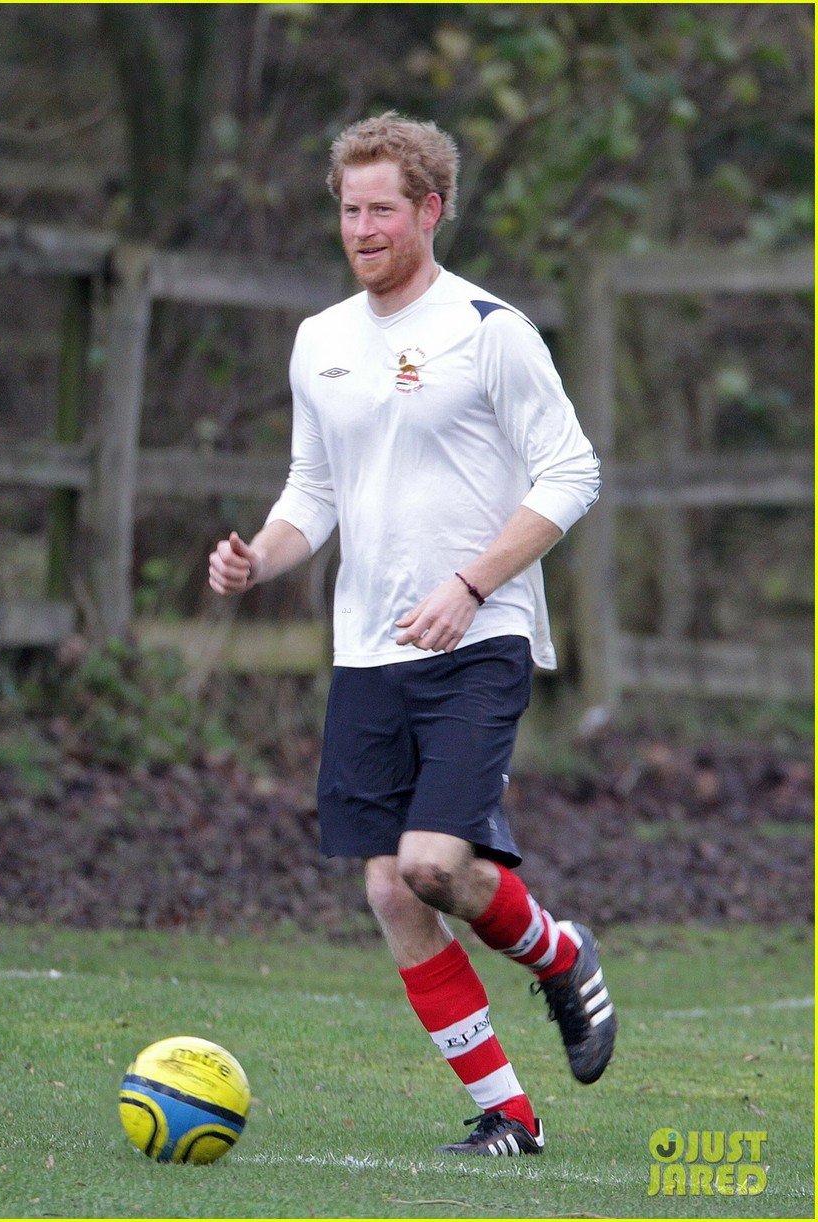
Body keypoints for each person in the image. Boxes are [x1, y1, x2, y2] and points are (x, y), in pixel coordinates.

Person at [209, 112, 616, 1158]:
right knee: (388, 884)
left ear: (429, 210)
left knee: (432, 863)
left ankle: (557, 950)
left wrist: (473, 583)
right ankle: (507, 1114)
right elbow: (313, 491)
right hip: (368, 652)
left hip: (476, 640)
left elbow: (571, 474)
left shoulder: (490, 330)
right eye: (347, 210)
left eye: (380, 209)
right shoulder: (320, 342)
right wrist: (259, 555)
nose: (361, 228)